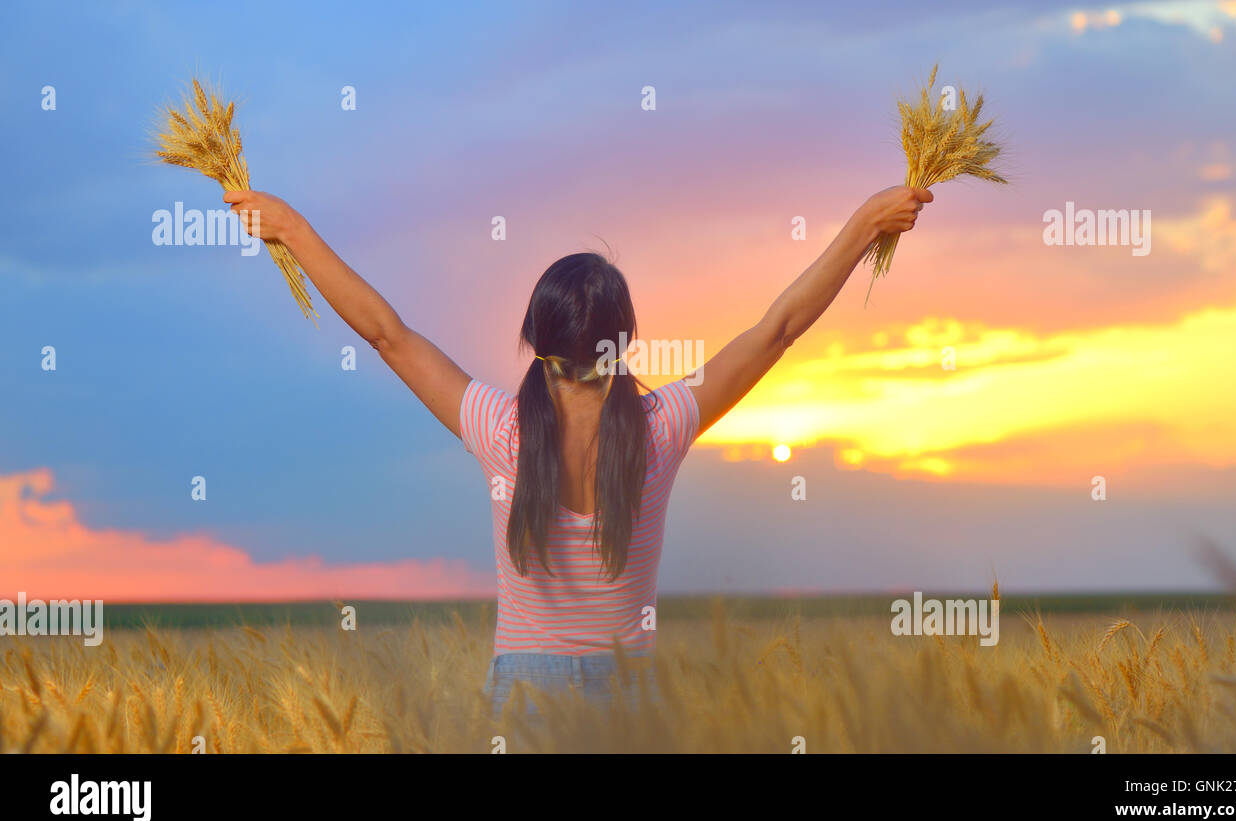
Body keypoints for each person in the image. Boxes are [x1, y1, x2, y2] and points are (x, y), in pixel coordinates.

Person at [223, 183, 933, 716]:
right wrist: (865, 226)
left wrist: (291, 229)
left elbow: (387, 333)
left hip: (524, 702)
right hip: (632, 699)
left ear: (535, 340)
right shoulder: (661, 431)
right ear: (624, 342)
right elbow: (777, 329)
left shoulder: (502, 432)